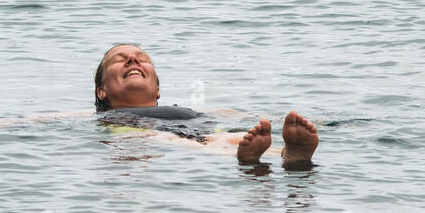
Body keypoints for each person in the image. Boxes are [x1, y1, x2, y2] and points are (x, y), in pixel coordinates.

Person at [93, 44, 319, 167]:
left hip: (203, 128)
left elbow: (241, 116)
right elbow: (61, 119)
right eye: (119, 59)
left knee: (236, 136)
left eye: (141, 58)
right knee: (169, 140)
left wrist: (323, 124)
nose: (133, 60)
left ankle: (290, 155)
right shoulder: (107, 115)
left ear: (158, 89)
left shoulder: (186, 110)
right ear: (101, 91)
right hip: (139, 131)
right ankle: (248, 158)